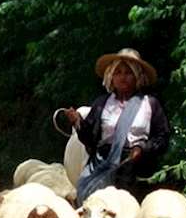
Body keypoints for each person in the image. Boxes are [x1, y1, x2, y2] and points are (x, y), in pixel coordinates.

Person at [61, 48, 170, 199]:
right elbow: (90, 139)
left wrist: (142, 148)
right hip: (103, 163)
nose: (123, 77)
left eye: (128, 73)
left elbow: (162, 137)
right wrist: (77, 121)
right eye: (118, 72)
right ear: (111, 77)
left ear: (137, 76)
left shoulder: (150, 104)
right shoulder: (102, 103)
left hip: (135, 166)